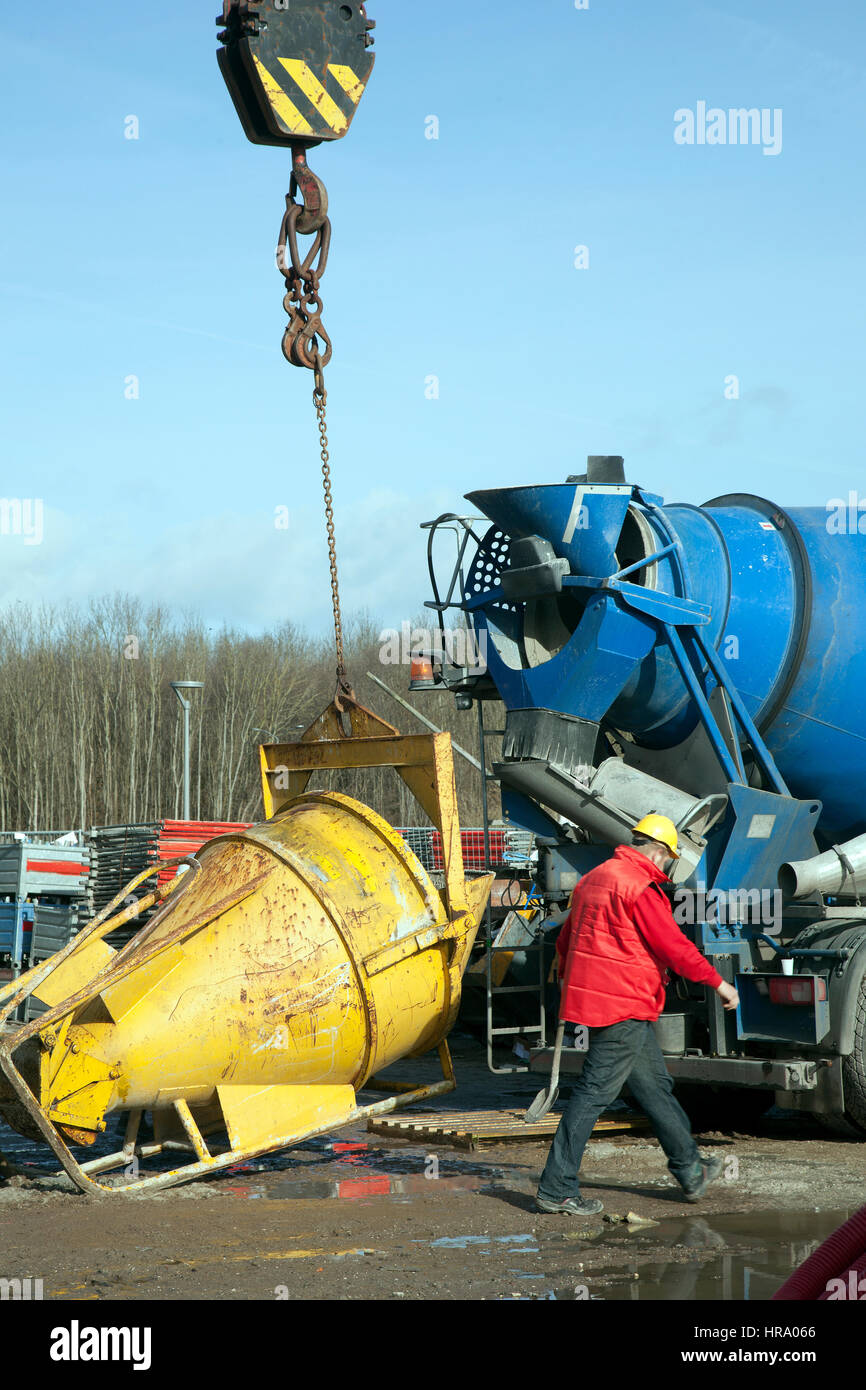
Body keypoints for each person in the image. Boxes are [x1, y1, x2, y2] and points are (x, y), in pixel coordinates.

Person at [536, 814, 739, 1216]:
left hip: (602, 1000)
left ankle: (690, 1168)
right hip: (622, 1002)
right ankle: (556, 1188)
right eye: (668, 860)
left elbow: (566, 936)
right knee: (593, 1093)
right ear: (659, 851)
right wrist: (718, 982)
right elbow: (674, 947)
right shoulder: (639, 886)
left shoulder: (594, 877)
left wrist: (563, 972)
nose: (665, 869)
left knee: (653, 1086)